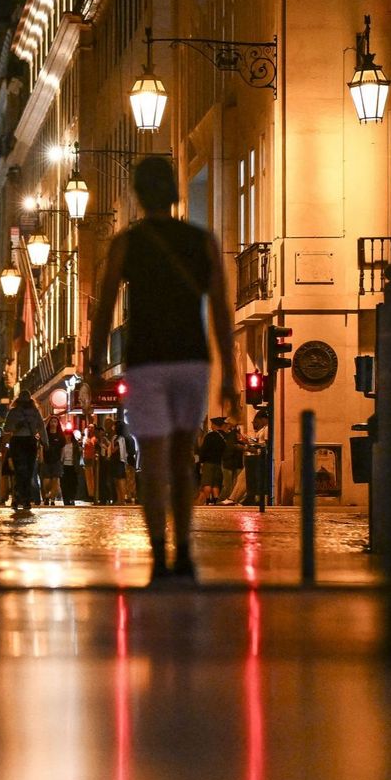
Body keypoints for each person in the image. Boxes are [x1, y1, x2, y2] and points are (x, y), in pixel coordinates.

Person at [90, 155, 238, 583]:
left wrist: (95, 364)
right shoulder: (203, 241)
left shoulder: (127, 243)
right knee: (181, 458)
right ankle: (185, 552)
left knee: (151, 461)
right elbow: (223, 312)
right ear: (174, 192)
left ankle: (159, 555)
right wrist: (228, 371)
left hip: (146, 361)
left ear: (137, 195)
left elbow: (102, 311)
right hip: (192, 358)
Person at [6, 392, 44, 515]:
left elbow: (41, 427)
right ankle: (22, 498)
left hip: (26, 441)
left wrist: (45, 441)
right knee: (22, 471)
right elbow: (7, 428)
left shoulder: (31, 412)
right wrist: (17, 427)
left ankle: (20, 498)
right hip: (21, 441)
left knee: (26, 471)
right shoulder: (17, 412)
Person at [198, 417, 230, 505]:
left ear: (215, 425)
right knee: (216, 483)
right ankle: (215, 500)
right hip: (219, 462)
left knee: (207, 482)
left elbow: (204, 449)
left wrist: (201, 460)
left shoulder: (210, 436)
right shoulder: (225, 436)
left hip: (208, 462)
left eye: (212, 424)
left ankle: (208, 500)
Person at [221, 420, 246, 505]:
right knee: (231, 483)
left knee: (230, 483)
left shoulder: (231, 434)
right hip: (233, 462)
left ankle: (230, 499)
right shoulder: (232, 434)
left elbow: (231, 447)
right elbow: (232, 446)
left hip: (231, 462)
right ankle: (230, 499)